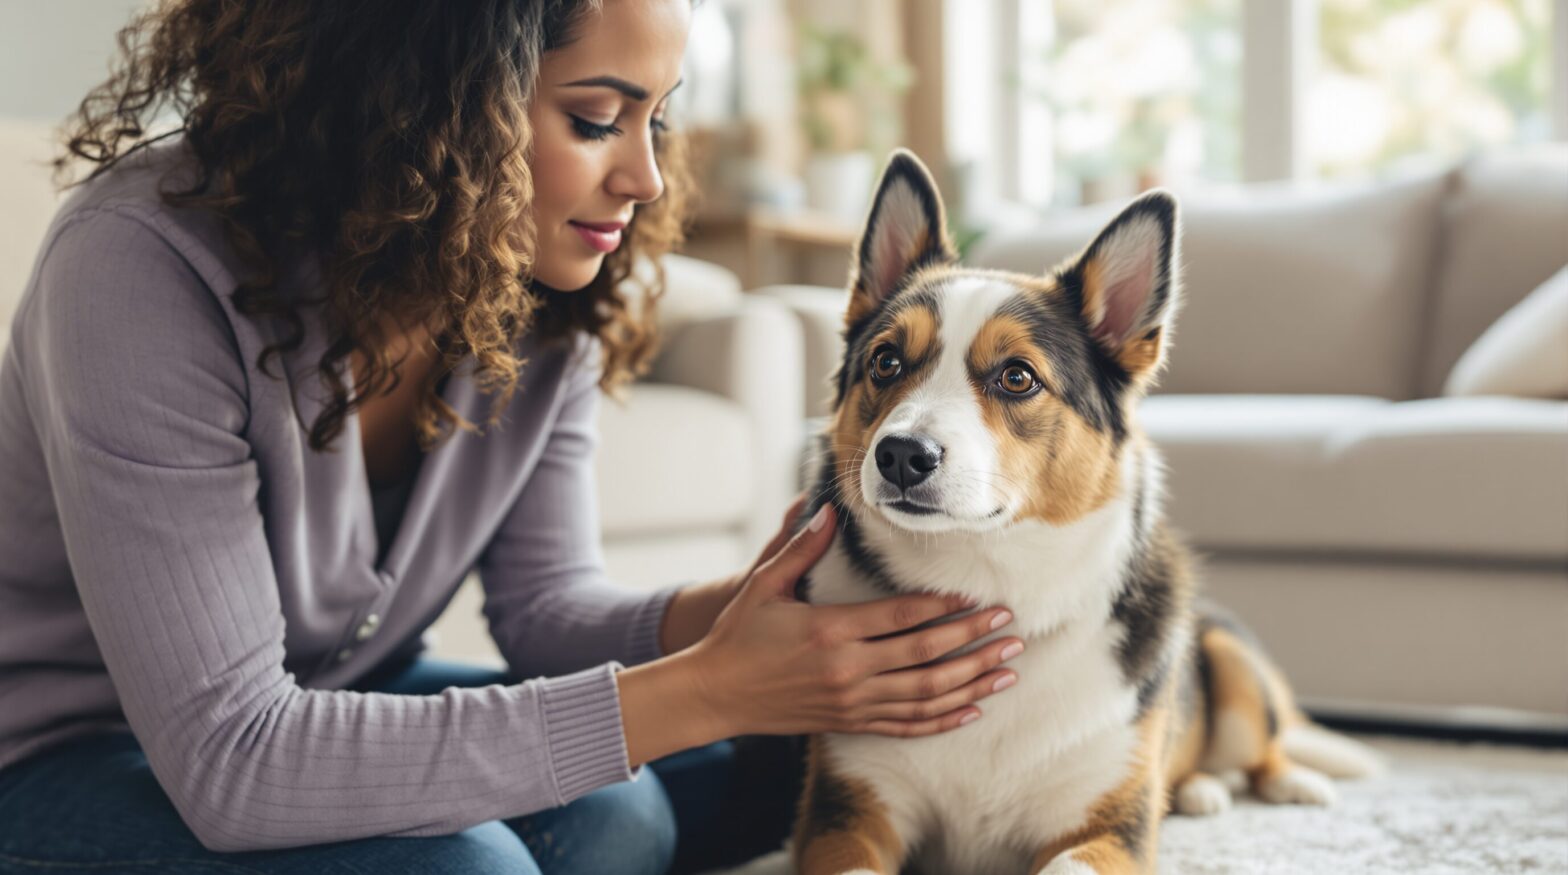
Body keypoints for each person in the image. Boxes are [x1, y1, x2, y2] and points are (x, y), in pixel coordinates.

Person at [0, 1, 1023, 872]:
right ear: (423, 104)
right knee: (473, 863)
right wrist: (709, 687)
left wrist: (753, 608)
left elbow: (543, 609)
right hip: (62, 751)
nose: (647, 179)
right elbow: (235, 755)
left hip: (332, 691)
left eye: (655, 122)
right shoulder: (139, 268)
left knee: (624, 815)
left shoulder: (533, 288)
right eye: (594, 120)